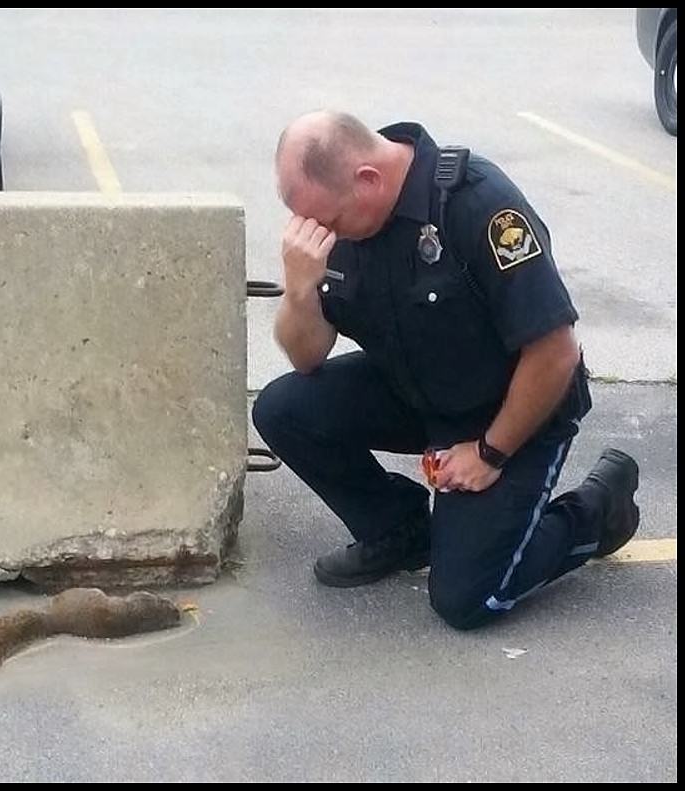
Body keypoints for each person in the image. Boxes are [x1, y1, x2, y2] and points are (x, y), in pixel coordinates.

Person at [253, 110, 639, 630]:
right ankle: (400, 529)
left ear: (368, 179)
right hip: (419, 388)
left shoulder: (477, 204)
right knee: (283, 409)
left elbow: (555, 352)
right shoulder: (333, 221)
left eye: (331, 222)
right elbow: (306, 357)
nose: (321, 235)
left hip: (512, 407)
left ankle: (597, 511)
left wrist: (490, 452)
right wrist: (300, 288)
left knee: (469, 599)